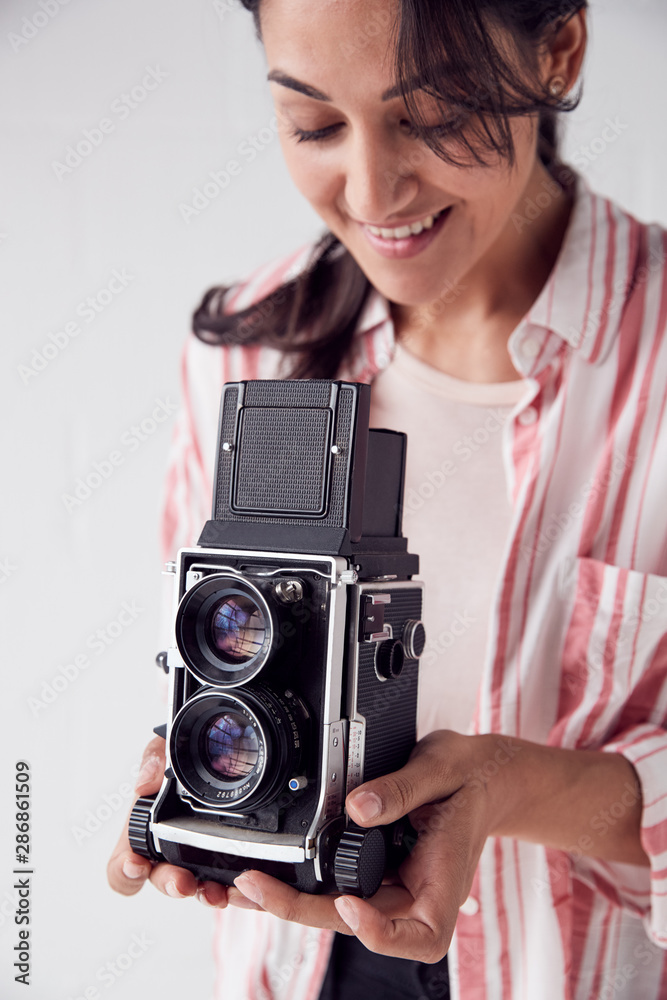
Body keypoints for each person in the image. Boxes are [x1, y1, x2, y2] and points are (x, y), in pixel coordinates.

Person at [108, 1, 667, 997]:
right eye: (314, 124)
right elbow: (212, 660)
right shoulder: (249, 349)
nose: (371, 190)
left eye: (433, 116)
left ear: (556, 50)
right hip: (295, 960)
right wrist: (203, 764)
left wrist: (514, 787)